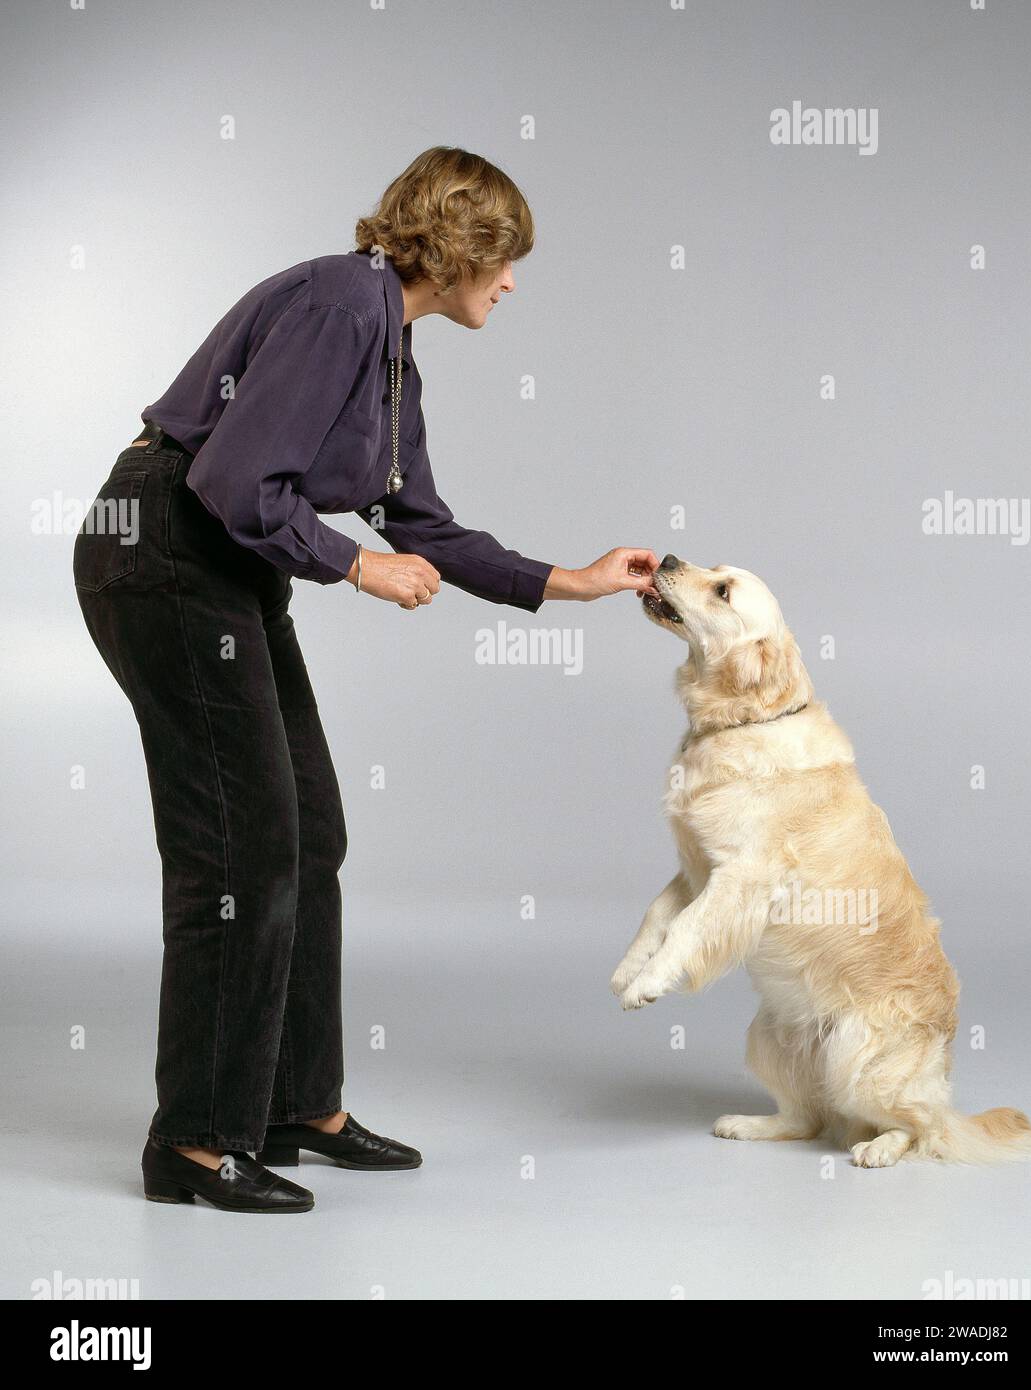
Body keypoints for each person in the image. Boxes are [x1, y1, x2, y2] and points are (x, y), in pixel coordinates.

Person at [73, 145, 659, 1213]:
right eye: (506, 259)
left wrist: (568, 582)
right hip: (160, 549)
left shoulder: (391, 354)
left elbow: (418, 522)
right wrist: (354, 564)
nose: (512, 282)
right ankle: (196, 1141)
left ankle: (295, 1104)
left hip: (217, 564)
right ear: (463, 245)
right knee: (238, 847)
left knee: (311, 833)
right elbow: (230, 476)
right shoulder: (343, 303)